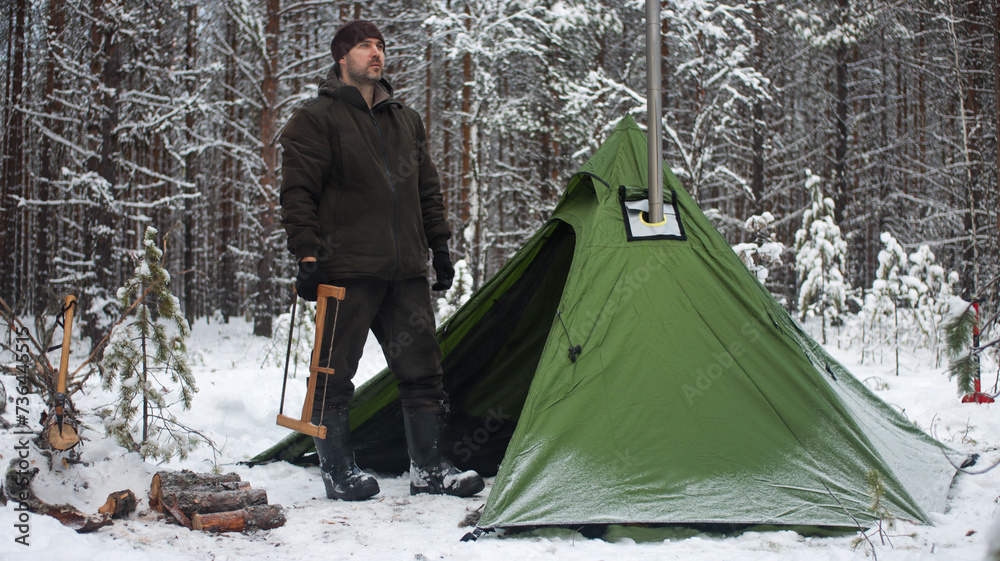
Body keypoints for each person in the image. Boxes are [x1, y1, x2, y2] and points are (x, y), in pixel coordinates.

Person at [278, 20, 483, 501]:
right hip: (346, 268)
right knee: (333, 372)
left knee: (423, 372)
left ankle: (429, 471)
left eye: (380, 46)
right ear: (341, 57)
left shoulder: (405, 120)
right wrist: (307, 254)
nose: (376, 53)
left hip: (406, 271)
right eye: (364, 46)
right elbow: (297, 193)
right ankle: (338, 472)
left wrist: (440, 248)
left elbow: (426, 190)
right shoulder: (316, 119)